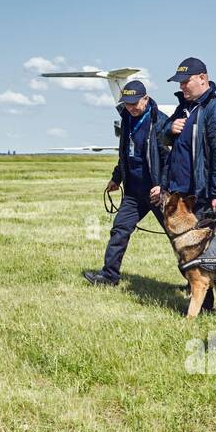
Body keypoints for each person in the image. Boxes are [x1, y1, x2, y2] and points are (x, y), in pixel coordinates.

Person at [158, 57, 216, 309]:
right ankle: (201, 296)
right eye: (179, 83)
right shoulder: (184, 107)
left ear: (203, 78)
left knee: (211, 249)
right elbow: (162, 135)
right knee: (189, 250)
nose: (182, 87)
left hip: (203, 193)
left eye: (186, 82)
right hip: (182, 193)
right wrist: (170, 128)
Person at [83, 79, 168, 286]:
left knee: (178, 236)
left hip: (157, 192)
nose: (131, 108)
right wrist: (116, 178)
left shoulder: (160, 122)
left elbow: (169, 160)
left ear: (145, 99)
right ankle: (109, 276)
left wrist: (163, 187)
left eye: (135, 103)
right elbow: (125, 154)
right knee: (119, 230)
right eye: (127, 103)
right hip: (133, 191)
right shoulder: (127, 118)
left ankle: (194, 281)